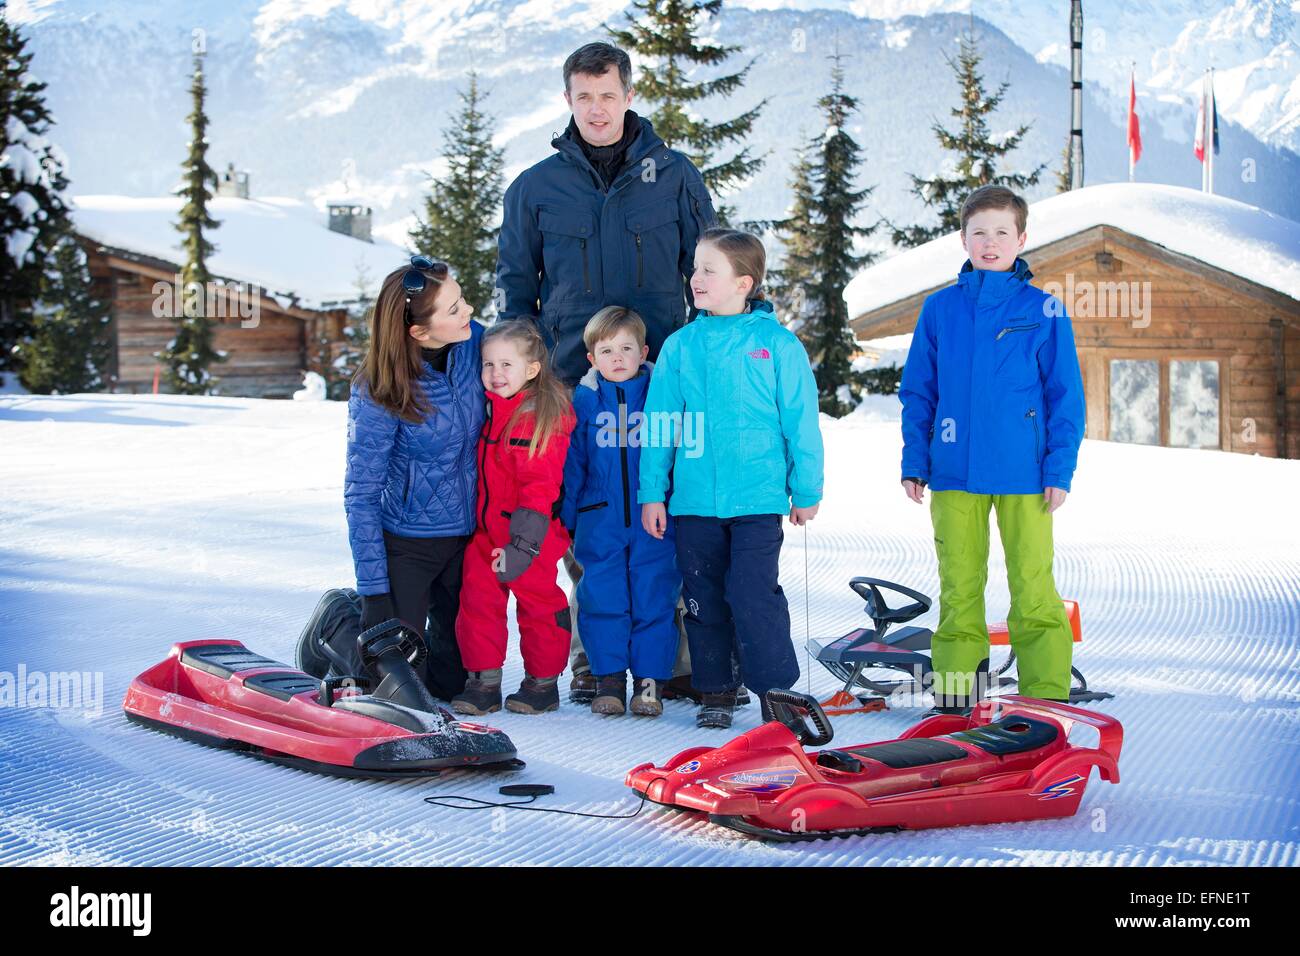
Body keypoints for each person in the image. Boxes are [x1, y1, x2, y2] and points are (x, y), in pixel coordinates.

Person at [495, 40, 718, 702]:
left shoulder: (674, 176)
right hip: (571, 387)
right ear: (569, 100)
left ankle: (670, 657)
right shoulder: (536, 189)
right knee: (588, 518)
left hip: (663, 387)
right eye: (584, 97)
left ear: (628, 96)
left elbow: (706, 274)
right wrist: (533, 382)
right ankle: (599, 657)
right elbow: (515, 291)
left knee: (665, 513)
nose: (597, 109)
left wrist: (705, 363)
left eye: (608, 95)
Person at [898, 184, 1086, 715]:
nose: (989, 242)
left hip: (1025, 474)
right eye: (978, 232)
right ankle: (958, 696)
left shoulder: (1043, 309)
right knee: (960, 586)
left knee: (1033, 585)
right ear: (962, 238)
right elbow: (919, 392)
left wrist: (1059, 469)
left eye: (1002, 232)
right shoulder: (940, 310)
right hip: (953, 471)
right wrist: (915, 460)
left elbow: (1065, 397)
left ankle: (1047, 695)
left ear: (1021, 238)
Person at [639, 228, 824, 729]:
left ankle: (774, 688)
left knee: (752, 593)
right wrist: (653, 492)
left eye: (708, 270)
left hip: (758, 499)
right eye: (695, 268)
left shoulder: (777, 345)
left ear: (744, 283)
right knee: (701, 596)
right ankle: (716, 688)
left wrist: (806, 489)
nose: (695, 278)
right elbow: (660, 425)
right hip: (694, 500)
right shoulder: (680, 347)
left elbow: (801, 422)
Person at [335, 256, 483, 700]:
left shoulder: (474, 348)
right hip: (408, 546)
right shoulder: (378, 391)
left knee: (451, 684)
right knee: (394, 686)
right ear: (418, 332)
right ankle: (337, 626)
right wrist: (374, 591)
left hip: (467, 537)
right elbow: (360, 495)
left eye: (462, 300)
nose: (470, 312)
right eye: (454, 309)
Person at [560, 306, 680, 717]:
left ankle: (649, 681)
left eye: (626, 348)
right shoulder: (585, 400)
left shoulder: (660, 394)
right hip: (600, 518)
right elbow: (573, 462)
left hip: (654, 519)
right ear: (591, 358)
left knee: (654, 596)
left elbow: (675, 454)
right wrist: (570, 518)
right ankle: (608, 678)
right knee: (602, 597)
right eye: (607, 350)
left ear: (644, 352)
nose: (617, 357)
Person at [452, 320, 575, 716]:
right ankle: (483, 681)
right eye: (488, 364)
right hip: (487, 533)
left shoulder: (536, 416)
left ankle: (542, 683)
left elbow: (540, 487)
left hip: (529, 533)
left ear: (532, 369)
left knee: (538, 604)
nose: (496, 373)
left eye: (507, 364)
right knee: (477, 603)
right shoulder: (492, 410)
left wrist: (523, 544)